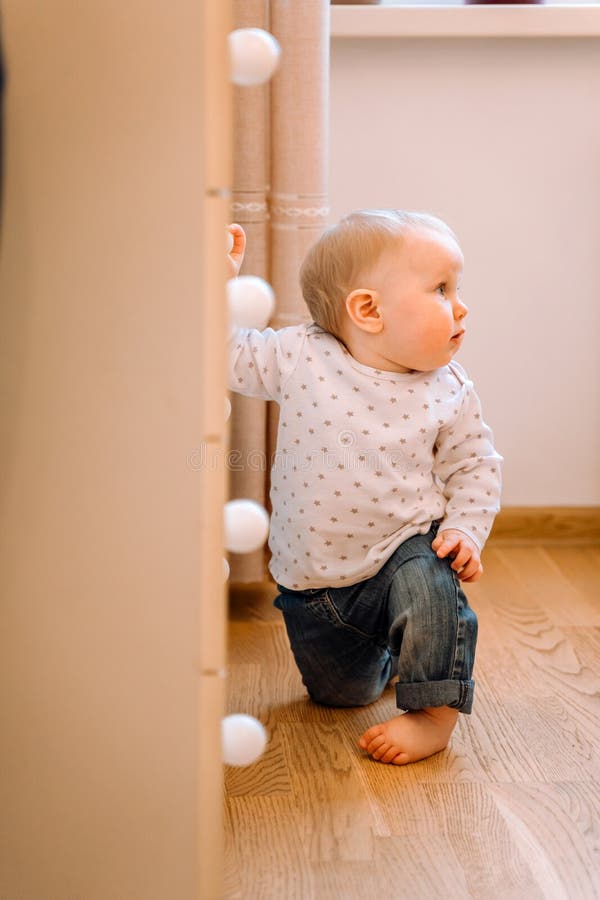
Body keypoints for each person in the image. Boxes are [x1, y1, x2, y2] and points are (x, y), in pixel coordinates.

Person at [226, 209, 502, 765]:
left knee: (433, 583)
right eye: (442, 289)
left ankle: (433, 713)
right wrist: (220, 287)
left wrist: (465, 531)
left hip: (403, 548)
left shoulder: (447, 387)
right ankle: (389, 653)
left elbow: (475, 464)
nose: (462, 305)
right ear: (368, 310)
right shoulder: (300, 357)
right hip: (315, 581)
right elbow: (226, 354)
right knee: (341, 696)